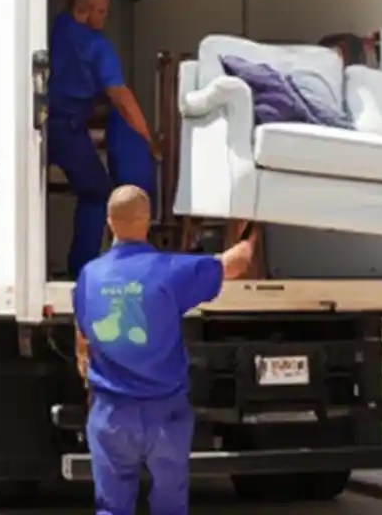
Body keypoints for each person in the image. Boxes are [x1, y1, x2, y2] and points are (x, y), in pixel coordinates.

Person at [73, 186, 259, 515]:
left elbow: (83, 339)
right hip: (165, 413)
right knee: (170, 505)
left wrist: (89, 383)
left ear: (109, 221)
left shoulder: (89, 276)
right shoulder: (171, 271)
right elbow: (236, 263)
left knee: (112, 508)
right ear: (148, 220)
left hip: (111, 413)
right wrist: (252, 231)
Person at [49, 0, 157, 279]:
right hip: (67, 131)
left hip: (44, 126)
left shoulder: (58, 29)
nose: (105, 18)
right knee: (97, 193)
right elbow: (121, 97)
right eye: (103, 11)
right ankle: (81, 268)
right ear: (85, 9)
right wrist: (147, 137)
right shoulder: (97, 46)